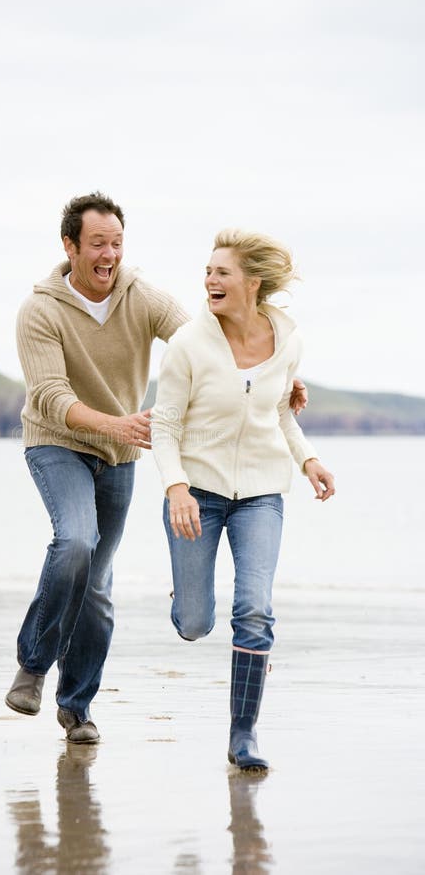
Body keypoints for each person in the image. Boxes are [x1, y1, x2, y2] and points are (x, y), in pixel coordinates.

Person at [6, 196, 307, 745]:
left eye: (117, 243)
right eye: (98, 243)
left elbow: (203, 339)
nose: (110, 254)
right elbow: (49, 396)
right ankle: (33, 664)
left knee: (96, 584)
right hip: (58, 443)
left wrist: (271, 373)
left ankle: (77, 707)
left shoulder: (139, 297)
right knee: (76, 541)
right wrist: (116, 425)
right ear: (69, 246)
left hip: (118, 457)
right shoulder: (40, 311)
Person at [152, 228, 334, 771]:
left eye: (222, 272)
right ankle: (186, 602)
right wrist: (176, 486)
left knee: (254, 611)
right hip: (196, 495)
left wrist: (308, 459)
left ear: (252, 284)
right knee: (194, 622)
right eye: (208, 271)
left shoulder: (287, 340)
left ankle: (243, 735)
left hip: (261, 494)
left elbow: (279, 411)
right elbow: (164, 426)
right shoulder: (188, 343)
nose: (210, 280)